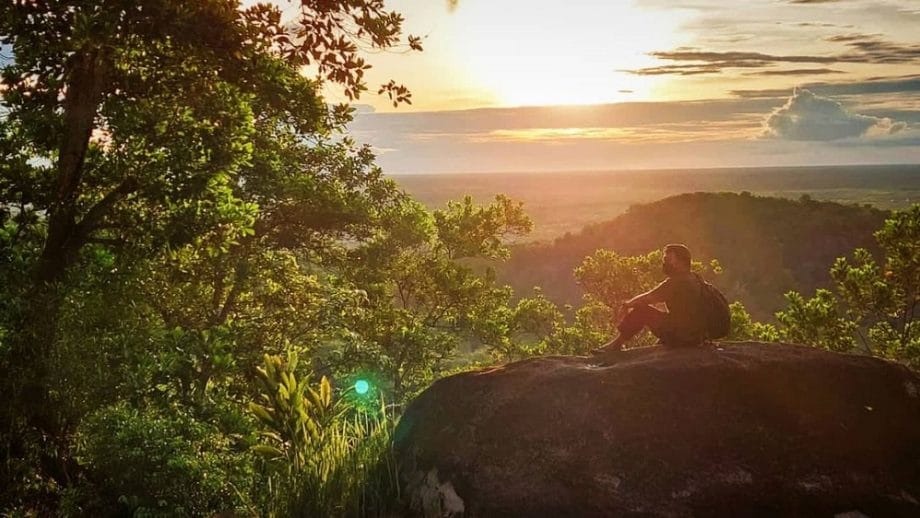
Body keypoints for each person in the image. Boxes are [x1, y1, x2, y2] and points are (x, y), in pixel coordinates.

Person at [592, 244, 706, 357]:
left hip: (682, 336)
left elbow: (647, 298)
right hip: (696, 336)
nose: (664, 263)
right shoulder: (695, 278)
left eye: (668, 259)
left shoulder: (677, 282)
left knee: (642, 311)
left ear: (681, 262)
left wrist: (627, 305)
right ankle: (664, 343)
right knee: (672, 317)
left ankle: (616, 345)